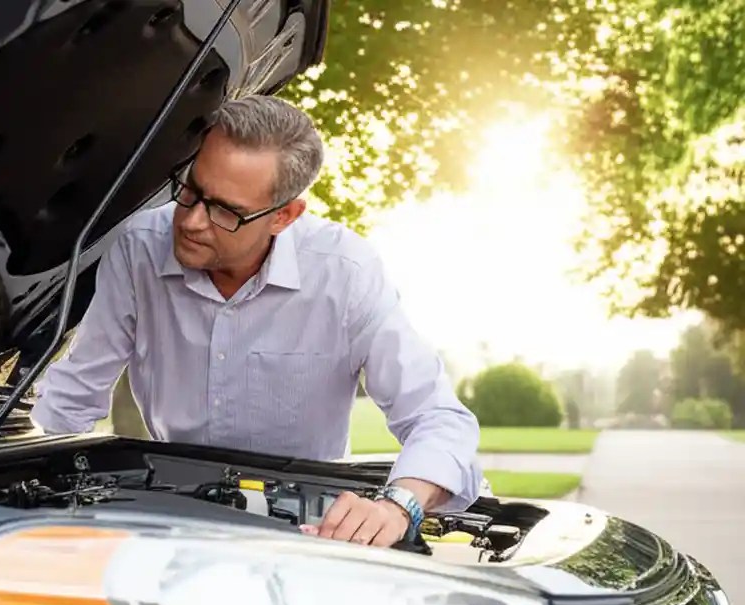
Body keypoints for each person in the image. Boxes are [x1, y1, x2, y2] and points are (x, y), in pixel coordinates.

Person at [30, 95, 482, 547]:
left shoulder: (345, 272)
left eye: (224, 210)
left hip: (307, 533)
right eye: (190, 190)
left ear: (283, 216)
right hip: (173, 518)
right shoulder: (139, 249)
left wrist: (397, 505)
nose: (190, 221)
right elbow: (72, 396)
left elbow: (438, 418)